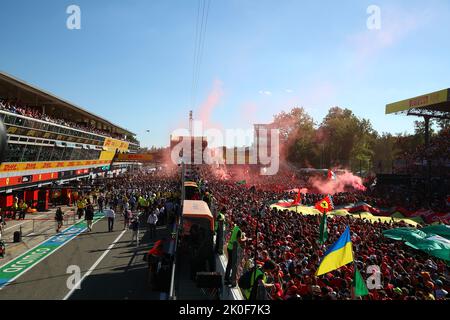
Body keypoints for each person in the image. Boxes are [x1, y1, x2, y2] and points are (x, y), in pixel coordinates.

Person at [224, 221, 247, 287]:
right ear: (243, 226)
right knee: (232, 264)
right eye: (244, 227)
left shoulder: (236, 227)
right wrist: (245, 238)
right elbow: (239, 240)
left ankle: (227, 278)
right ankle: (228, 279)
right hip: (232, 249)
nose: (244, 229)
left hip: (230, 247)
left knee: (230, 264)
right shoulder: (239, 231)